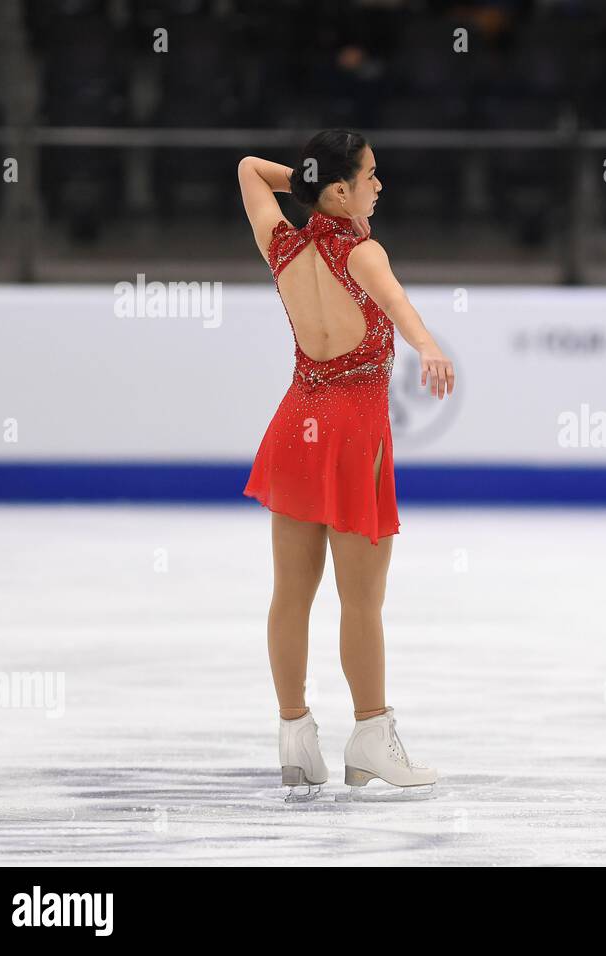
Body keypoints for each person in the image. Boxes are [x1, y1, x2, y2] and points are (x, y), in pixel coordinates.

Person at [237, 129, 454, 801]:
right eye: (368, 177)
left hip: (296, 425)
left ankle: (296, 736)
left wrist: (307, 182)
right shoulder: (361, 251)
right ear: (340, 190)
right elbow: (396, 302)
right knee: (361, 600)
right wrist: (429, 347)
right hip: (353, 432)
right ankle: (370, 735)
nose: (378, 186)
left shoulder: (281, 243)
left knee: (290, 595)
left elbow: (249, 168)